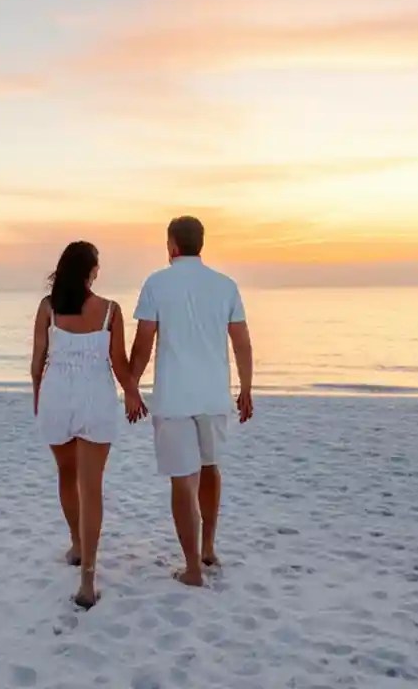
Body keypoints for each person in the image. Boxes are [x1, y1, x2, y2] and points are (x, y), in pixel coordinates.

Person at [130, 216, 254, 588]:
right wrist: (246, 388)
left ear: (172, 245)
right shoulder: (225, 285)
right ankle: (208, 548)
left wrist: (131, 385)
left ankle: (192, 569)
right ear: (201, 243)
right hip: (214, 394)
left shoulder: (156, 283)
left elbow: (143, 344)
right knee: (210, 468)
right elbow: (242, 342)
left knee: (183, 481)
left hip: (174, 397)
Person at [31, 240, 147, 609]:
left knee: (66, 475)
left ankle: (77, 546)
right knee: (91, 486)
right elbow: (119, 364)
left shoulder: (48, 309)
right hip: (95, 397)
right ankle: (88, 579)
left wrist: (39, 395)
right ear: (91, 271)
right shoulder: (110, 311)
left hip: (57, 396)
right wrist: (132, 392)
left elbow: (37, 361)